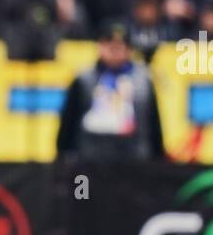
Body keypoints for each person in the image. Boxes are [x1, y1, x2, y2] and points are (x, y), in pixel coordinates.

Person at [56, 20, 165, 162]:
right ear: (99, 46)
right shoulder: (83, 79)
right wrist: (64, 157)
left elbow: (154, 127)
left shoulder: (143, 80)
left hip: (134, 161)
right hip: (90, 160)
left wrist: (157, 160)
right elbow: (68, 125)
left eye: (120, 46)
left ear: (129, 49)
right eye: (109, 45)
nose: (115, 50)